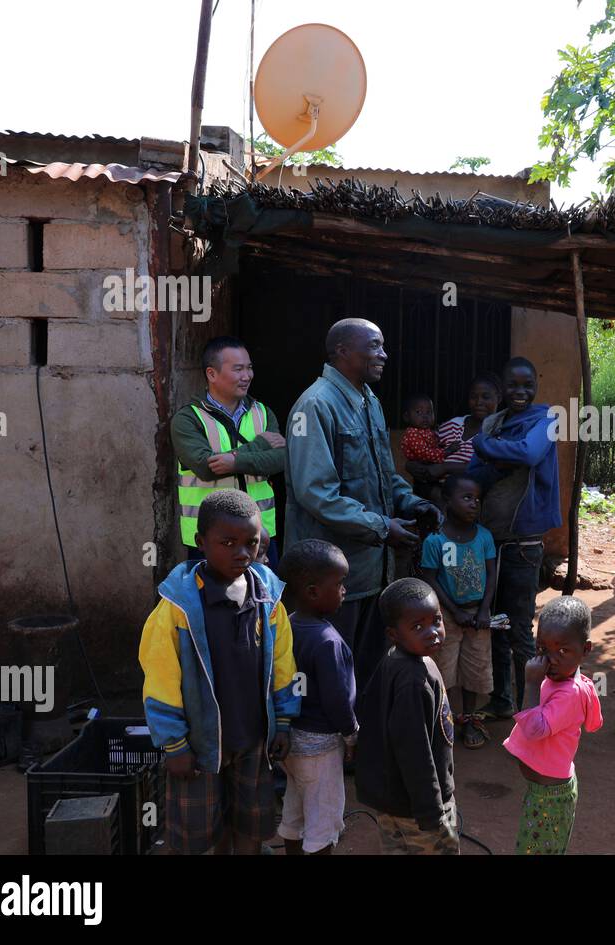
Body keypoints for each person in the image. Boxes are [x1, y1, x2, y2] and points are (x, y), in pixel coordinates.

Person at [138, 489, 300, 855]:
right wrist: (173, 742)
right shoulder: (176, 608)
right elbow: (160, 678)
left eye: (251, 543)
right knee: (196, 833)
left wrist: (285, 720)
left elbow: (283, 664)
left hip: (253, 740)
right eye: (227, 542)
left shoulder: (268, 598)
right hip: (198, 746)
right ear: (201, 543)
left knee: (251, 821)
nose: (242, 553)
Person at [285, 318, 440, 691]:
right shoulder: (315, 406)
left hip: (372, 570)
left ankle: (363, 742)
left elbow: (383, 475)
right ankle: (332, 747)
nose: (383, 355)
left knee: (368, 667)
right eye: (374, 346)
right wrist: (383, 527)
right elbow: (316, 492)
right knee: (332, 675)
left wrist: (413, 503)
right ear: (342, 351)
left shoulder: (368, 400)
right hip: (333, 578)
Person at [468, 357, 560, 718]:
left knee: (521, 629)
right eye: (512, 386)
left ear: (536, 383)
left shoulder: (549, 418)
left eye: (526, 385)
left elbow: (530, 452)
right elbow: (477, 474)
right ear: (501, 388)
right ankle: (503, 701)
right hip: (493, 539)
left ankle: (531, 707)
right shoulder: (495, 422)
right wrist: (495, 456)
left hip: (523, 543)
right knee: (496, 625)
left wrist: (485, 446)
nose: (519, 392)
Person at [354, 578, 459, 855]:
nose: (432, 632)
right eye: (417, 627)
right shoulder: (413, 680)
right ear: (393, 634)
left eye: (436, 620)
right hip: (418, 807)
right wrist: (431, 811)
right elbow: (415, 752)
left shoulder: (396, 659)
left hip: (393, 800)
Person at [503, 596, 603, 855]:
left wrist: (532, 684)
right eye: (542, 648)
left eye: (563, 651)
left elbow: (534, 730)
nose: (551, 659)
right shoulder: (562, 678)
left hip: (549, 797)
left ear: (586, 649)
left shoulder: (569, 693)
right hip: (544, 792)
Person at [172, 336, 285, 564]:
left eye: (249, 368)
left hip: (260, 534)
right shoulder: (187, 419)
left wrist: (233, 462)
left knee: (265, 596)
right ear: (211, 374)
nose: (247, 376)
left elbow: (280, 460)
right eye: (238, 369)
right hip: (210, 538)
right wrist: (260, 445)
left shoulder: (263, 412)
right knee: (213, 598)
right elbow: (206, 467)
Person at [276, 539, 357, 855]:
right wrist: (351, 734)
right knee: (323, 822)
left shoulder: (286, 627)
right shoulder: (327, 642)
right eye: (338, 584)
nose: (344, 590)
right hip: (320, 746)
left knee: (294, 813)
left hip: (289, 741)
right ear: (312, 591)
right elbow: (337, 700)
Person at [419, 474, 497, 749]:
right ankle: (444, 719)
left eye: (477, 499)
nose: (473, 504)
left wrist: (484, 609)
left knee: (475, 668)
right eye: (466, 498)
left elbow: (491, 573)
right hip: (447, 617)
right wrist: (453, 612)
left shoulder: (484, 536)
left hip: (478, 615)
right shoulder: (435, 541)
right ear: (447, 501)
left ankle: (470, 719)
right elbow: (429, 578)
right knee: (445, 668)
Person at [434, 373, 502, 469]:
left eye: (486, 397)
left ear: (498, 399)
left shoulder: (499, 435)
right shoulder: (452, 425)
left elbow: (487, 470)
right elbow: (428, 452)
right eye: (473, 397)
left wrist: (446, 468)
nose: (479, 402)